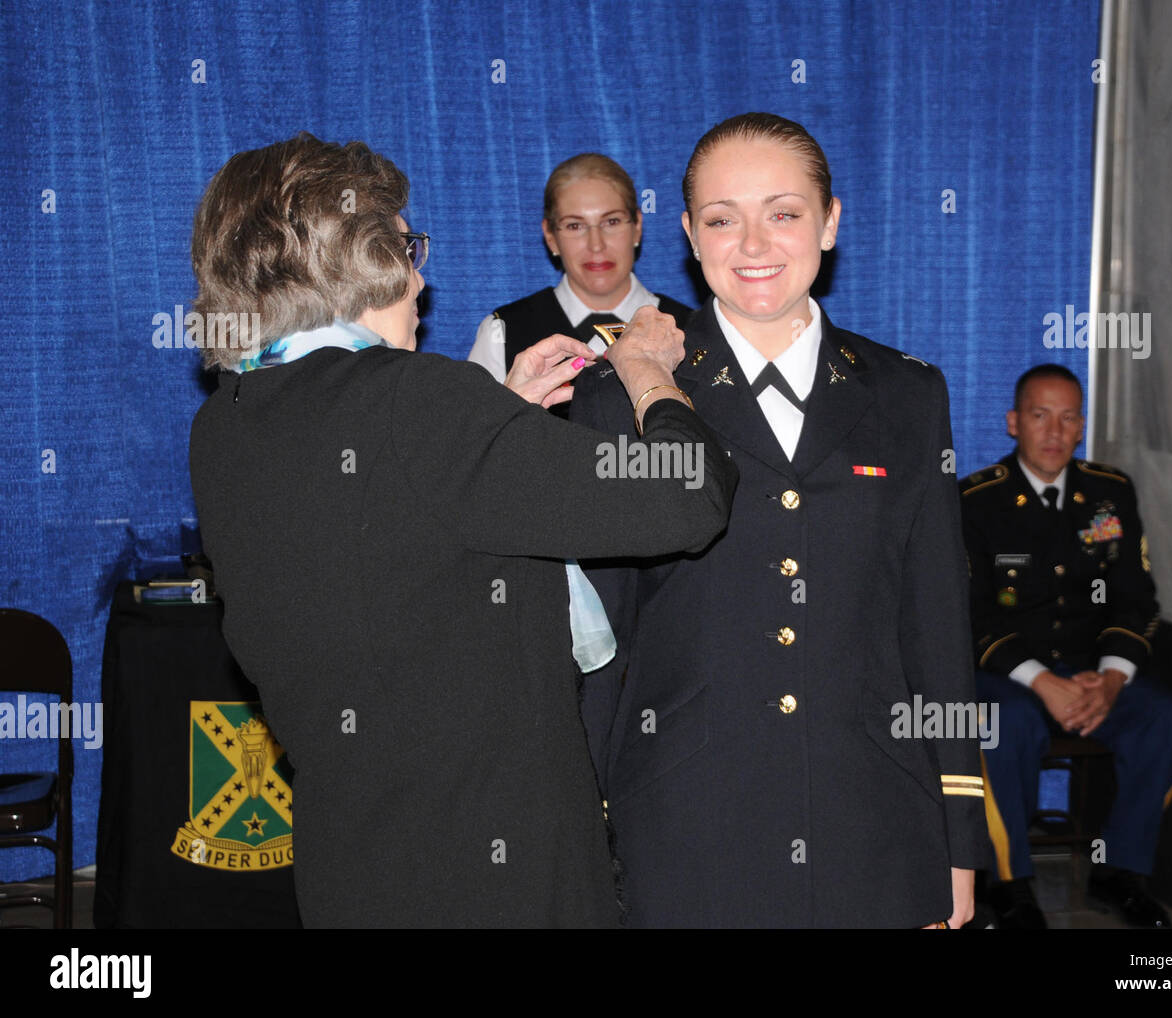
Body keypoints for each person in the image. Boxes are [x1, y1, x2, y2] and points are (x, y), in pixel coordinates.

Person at [186, 133, 738, 928]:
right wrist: (646, 364)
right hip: (495, 871)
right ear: (361, 256)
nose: (421, 276)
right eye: (406, 247)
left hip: (355, 861)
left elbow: (388, 540)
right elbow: (686, 497)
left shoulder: (228, 423)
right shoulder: (419, 401)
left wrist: (502, 423)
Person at [573, 113, 988, 928]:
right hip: (684, 829)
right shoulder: (618, 395)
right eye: (723, 218)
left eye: (785, 213)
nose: (754, 243)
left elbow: (936, 626)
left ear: (831, 223)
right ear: (690, 236)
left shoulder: (908, 395)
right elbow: (600, 642)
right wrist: (585, 836)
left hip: (873, 824)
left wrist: (958, 840)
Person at [959, 364, 1172, 929]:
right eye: (1040, 416)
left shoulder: (1109, 493)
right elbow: (969, 616)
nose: (1054, 431)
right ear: (1014, 423)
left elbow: (1136, 601)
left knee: (1169, 720)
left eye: (1069, 418)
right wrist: (1043, 683)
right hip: (1009, 677)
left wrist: (1112, 679)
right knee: (1002, 726)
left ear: (1082, 426)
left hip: (1093, 676)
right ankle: (1009, 885)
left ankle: (1119, 872)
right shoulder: (977, 500)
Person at [468, 153, 693, 414]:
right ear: (550, 236)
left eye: (611, 222)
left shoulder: (691, 327)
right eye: (575, 226)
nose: (596, 244)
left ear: (637, 227)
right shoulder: (502, 333)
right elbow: (476, 448)